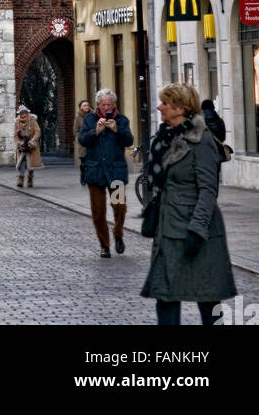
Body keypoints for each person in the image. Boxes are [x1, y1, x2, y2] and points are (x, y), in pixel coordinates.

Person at [141, 83, 236, 326]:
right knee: (165, 296)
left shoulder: (201, 140)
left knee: (207, 298)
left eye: (165, 103)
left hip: (198, 231)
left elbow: (208, 189)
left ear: (180, 107)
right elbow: (156, 183)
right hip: (168, 229)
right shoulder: (164, 138)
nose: (160, 107)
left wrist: (197, 228)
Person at [79, 88, 134, 257]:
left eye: (110, 104)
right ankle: (104, 244)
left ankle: (118, 234)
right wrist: (95, 131)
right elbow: (82, 140)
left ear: (114, 105)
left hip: (116, 172)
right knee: (98, 211)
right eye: (104, 105)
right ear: (98, 105)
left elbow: (129, 140)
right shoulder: (89, 119)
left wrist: (117, 129)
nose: (107, 108)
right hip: (95, 172)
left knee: (120, 206)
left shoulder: (122, 120)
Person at [14, 105, 42, 187]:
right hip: (22, 144)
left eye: (25, 113)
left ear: (27, 113)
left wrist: (33, 141)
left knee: (31, 163)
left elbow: (38, 131)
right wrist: (18, 143)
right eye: (22, 113)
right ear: (19, 114)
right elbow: (15, 135)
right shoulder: (17, 122)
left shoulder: (32, 121)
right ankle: (21, 178)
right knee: (22, 162)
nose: (23, 114)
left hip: (31, 144)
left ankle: (30, 179)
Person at [74, 99, 91, 186]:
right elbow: (75, 131)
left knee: (91, 162)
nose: (86, 107)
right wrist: (81, 137)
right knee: (84, 163)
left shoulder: (93, 116)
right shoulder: (78, 118)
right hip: (83, 143)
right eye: (84, 105)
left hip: (92, 142)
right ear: (81, 107)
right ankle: (83, 177)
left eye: (87, 105)